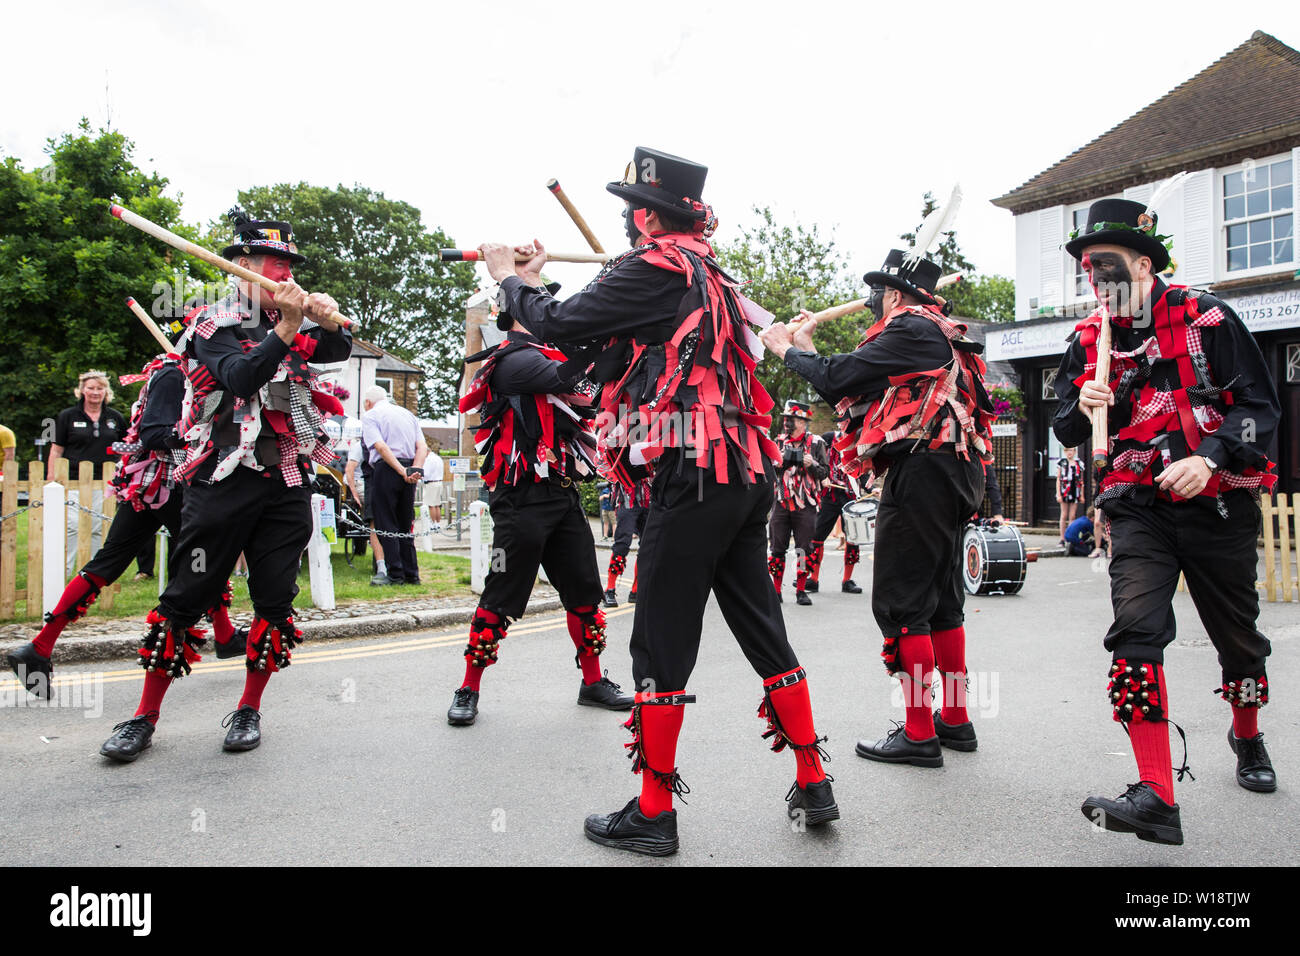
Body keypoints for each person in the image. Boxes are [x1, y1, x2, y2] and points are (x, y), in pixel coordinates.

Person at [483, 146, 838, 856]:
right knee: (762, 630)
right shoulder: (712, 278)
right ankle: (813, 778)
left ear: (645, 216)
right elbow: (591, 340)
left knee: (660, 641)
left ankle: (653, 811)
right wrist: (534, 280)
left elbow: (555, 328)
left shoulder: (653, 268)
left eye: (627, 212)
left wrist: (507, 281)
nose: (622, 223)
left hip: (693, 474)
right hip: (744, 473)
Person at [1055, 197, 1281, 845]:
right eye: (1091, 271)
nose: (1100, 282)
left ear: (1147, 263)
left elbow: (1258, 412)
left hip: (1218, 504)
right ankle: (1156, 794)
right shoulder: (1088, 341)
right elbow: (1070, 429)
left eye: (1111, 267)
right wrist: (1080, 399)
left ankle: (1248, 738)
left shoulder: (1210, 319)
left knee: (1237, 636)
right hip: (1135, 505)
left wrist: (1209, 459)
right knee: (1134, 629)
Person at [98, 210, 351, 762]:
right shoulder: (213, 324)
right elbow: (240, 379)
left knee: (274, 600)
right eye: (271, 262)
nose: (282, 272)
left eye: (287, 263)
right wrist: (287, 327)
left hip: (285, 484)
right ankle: (144, 716)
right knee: (185, 597)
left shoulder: (292, 322)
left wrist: (328, 321)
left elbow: (336, 351)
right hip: (221, 480)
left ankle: (249, 708)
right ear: (240, 267)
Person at [762, 248, 995, 768]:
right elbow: (856, 392)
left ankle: (918, 732)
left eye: (876, 295)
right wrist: (807, 346)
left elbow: (840, 375)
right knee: (942, 600)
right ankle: (954, 720)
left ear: (891, 293)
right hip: (955, 470)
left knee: (902, 602)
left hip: (926, 473)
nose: (872, 305)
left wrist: (782, 349)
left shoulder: (910, 326)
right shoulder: (935, 332)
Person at [7, 355, 242, 698]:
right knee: (206, 556)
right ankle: (222, 635)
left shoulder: (195, 374)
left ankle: (40, 647)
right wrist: (198, 433)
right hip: (166, 483)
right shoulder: (172, 376)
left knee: (121, 561)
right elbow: (152, 434)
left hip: (154, 482)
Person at [451, 284, 632, 727]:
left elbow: (587, 389)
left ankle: (591, 682)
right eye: (537, 305)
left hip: (561, 493)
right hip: (518, 501)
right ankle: (468, 687)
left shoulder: (548, 353)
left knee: (585, 593)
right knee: (500, 594)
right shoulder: (513, 360)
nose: (549, 312)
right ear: (514, 314)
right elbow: (568, 378)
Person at [48, 370, 129, 573]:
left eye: (100, 388)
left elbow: (126, 447)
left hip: (106, 482)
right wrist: (51, 478)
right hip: (73, 480)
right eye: (91, 388)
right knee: (72, 526)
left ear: (106, 392)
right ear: (82, 390)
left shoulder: (115, 418)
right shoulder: (68, 416)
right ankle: (64, 570)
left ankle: (93, 571)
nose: (95, 392)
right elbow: (56, 449)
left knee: (98, 527)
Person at [360, 385, 428, 586]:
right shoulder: (407, 414)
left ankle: (395, 573)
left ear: (367, 403)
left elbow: (380, 446)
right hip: (410, 466)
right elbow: (422, 446)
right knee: (405, 521)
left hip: (388, 467)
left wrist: (400, 470)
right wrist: (414, 469)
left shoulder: (371, 415)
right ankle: (411, 573)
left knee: (385, 521)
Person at [767, 400, 828, 606]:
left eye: (790, 419)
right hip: (782, 501)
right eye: (786, 419)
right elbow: (769, 471)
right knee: (777, 548)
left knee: (804, 548)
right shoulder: (778, 441)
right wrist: (779, 461)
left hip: (806, 504)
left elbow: (825, 473)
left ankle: (801, 590)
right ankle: (775, 591)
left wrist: (812, 464)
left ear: (802, 422)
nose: (786, 422)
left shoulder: (817, 443)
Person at [806, 410, 862, 595]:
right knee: (817, 536)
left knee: (852, 539)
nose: (845, 424)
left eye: (848, 421)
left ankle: (848, 580)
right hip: (829, 494)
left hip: (851, 495)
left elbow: (866, 465)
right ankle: (813, 579)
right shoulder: (829, 438)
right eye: (843, 421)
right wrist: (821, 476)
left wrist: (870, 487)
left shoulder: (859, 439)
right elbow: (817, 459)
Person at [603, 476, 650, 607]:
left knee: (647, 546)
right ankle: (610, 589)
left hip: (648, 499)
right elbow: (604, 466)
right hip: (627, 498)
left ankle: (636, 590)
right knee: (622, 544)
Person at [1057, 445, 1084, 543]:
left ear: (1075, 452)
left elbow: (1081, 480)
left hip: (1075, 490)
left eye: (1071, 450)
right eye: (1067, 450)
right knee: (1064, 515)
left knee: (1072, 516)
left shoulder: (1079, 464)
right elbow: (1058, 479)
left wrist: (1082, 494)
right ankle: (1062, 538)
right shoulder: (1062, 463)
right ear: (1065, 452)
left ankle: (1070, 536)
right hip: (1065, 490)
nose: (1069, 453)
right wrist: (1058, 494)